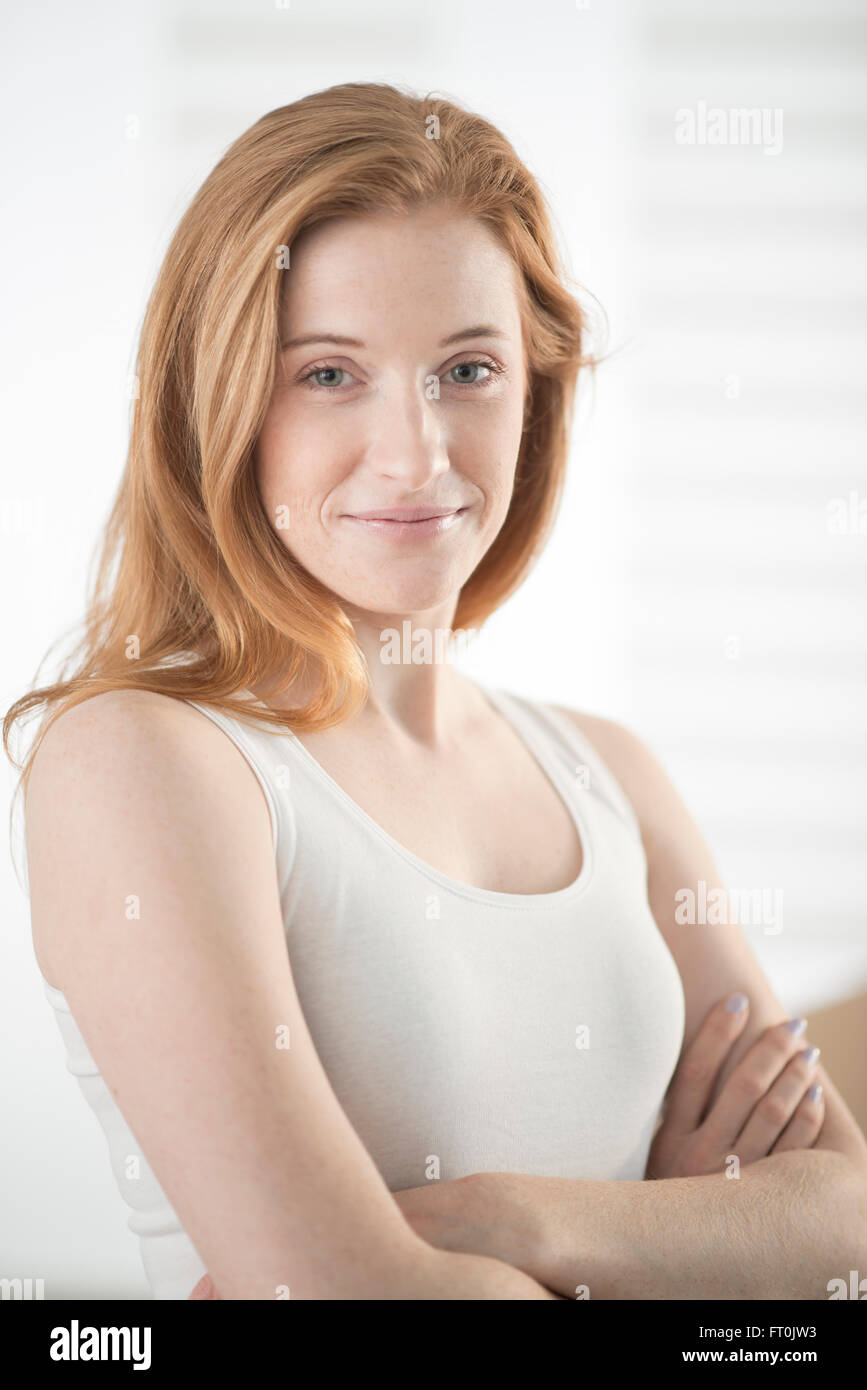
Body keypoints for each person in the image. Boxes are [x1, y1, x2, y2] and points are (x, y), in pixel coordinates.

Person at [6, 82, 867, 1301]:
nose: (415, 455)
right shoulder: (140, 758)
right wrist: (687, 1243)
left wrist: (514, 1221)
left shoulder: (608, 771)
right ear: (223, 396)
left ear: (537, 394)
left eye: (467, 368)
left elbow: (844, 1219)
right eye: (328, 375)